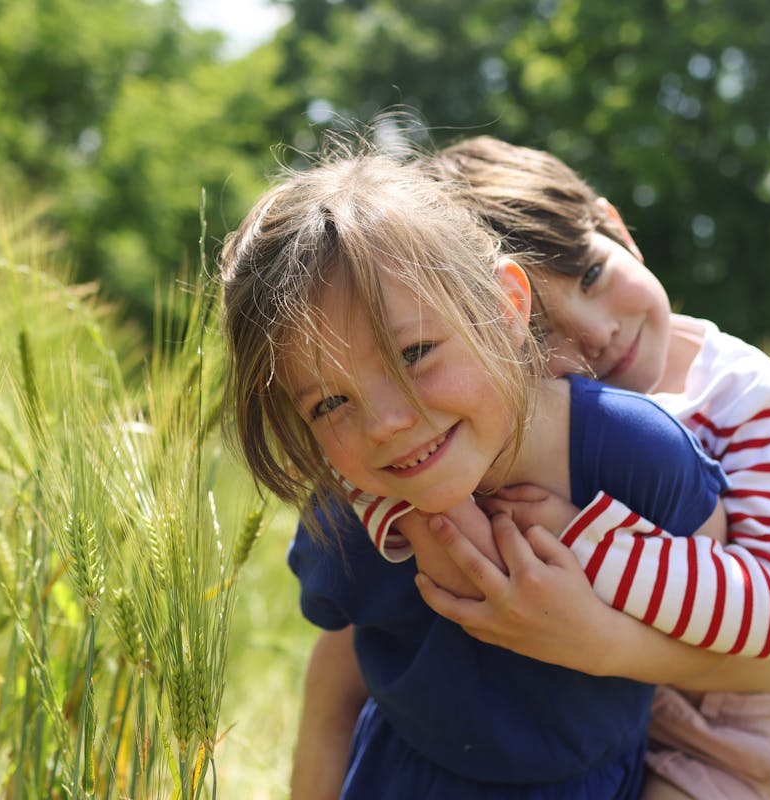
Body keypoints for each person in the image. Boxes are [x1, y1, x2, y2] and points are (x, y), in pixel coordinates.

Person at [307, 136, 770, 799]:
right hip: (561, 706)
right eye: (547, 333)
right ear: (501, 325)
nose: (597, 329)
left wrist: (582, 544)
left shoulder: (740, 393)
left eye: (590, 275)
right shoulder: (500, 416)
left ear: (613, 224)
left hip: (714, 721)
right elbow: (358, 468)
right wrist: (407, 513)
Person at [219, 142, 733, 799]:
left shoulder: (631, 452)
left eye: (415, 353)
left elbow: (725, 611)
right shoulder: (353, 516)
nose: (384, 424)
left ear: (507, 308)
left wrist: (595, 578)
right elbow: (333, 685)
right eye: (330, 403)